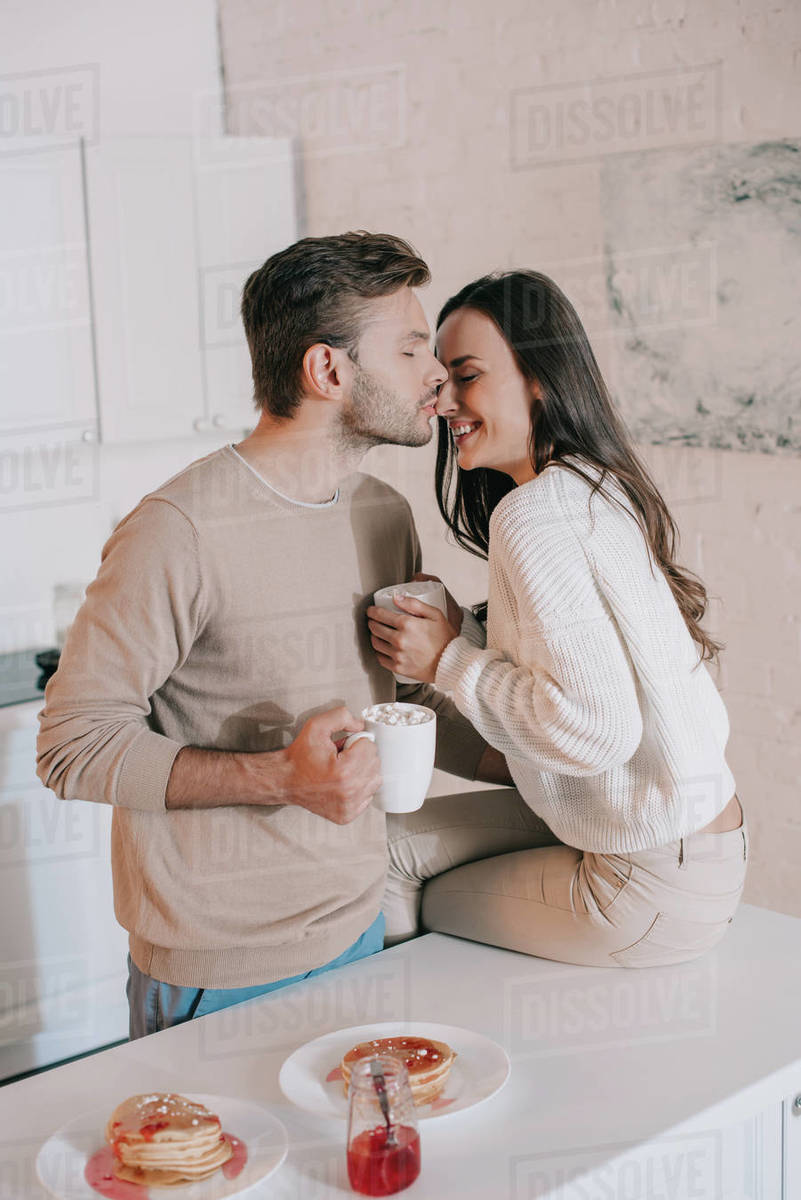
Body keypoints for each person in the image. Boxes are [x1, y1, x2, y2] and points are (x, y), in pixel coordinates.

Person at [36, 233, 506, 1038]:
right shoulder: (176, 531)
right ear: (328, 370)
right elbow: (72, 745)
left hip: (363, 926)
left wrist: (540, 761)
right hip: (218, 976)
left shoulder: (380, 516)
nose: (436, 374)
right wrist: (279, 779)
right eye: (409, 349)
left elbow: (406, 699)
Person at [367, 270, 747, 968]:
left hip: (646, 880)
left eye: (466, 375)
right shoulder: (589, 486)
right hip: (691, 842)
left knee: (389, 869)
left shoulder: (534, 513)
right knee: (390, 840)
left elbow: (592, 730)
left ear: (538, 379)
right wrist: (465, 632)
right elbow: (580, 679)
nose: (442, 400)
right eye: (438, 378)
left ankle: (412, 1068)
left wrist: (447, 659)